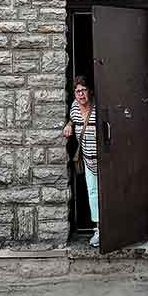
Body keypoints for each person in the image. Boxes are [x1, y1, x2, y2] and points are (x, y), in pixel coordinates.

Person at [64, 75, 99, 248]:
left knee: (107, 193)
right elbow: (73, 119)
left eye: (83, 90)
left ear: (89, 91)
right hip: (87, 159)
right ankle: (99, 230)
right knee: (93, 193)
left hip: (105, 161)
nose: (81, 94)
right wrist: (69, 124)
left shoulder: (97, 106)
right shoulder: (74, 108)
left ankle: (112, 228)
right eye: (77, 91)